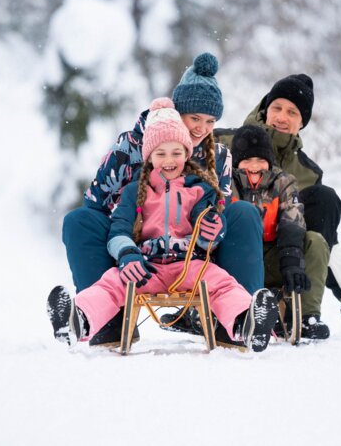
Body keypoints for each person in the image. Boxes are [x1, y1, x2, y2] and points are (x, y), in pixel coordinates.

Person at [60, 53, 264, 343]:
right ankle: (106, 321)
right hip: (137, 252)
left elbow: (219, 211)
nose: (201, 128)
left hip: (196, 253)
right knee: (80, 220)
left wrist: (214, 228)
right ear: (173, 111)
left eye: (210, 121)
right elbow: (96, 205)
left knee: (243, 213)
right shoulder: (129, 149)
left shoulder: (218, 156)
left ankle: (241, 320)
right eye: (194, 118)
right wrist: (126, 244)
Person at [220, 73, 341, 332]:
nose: (282, 117)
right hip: (228, 255)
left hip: (282, 259)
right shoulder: (223, 142)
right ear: (265, 109)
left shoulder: (308, 173)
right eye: (276, 107)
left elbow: (326, 240)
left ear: (302, 122)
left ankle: (301, 313)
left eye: (292, 112)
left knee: (325, 199)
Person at [228, 125, 331, 340]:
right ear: (237, 162)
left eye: (260, 160)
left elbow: (292, 220)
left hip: (275, 256)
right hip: (240, 259)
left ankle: (306, 316)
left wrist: (292, 260)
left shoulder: (284, 182)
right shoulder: (227, 183)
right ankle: (236, 314)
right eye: (247, 160)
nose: (254, 166)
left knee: (315, 241)